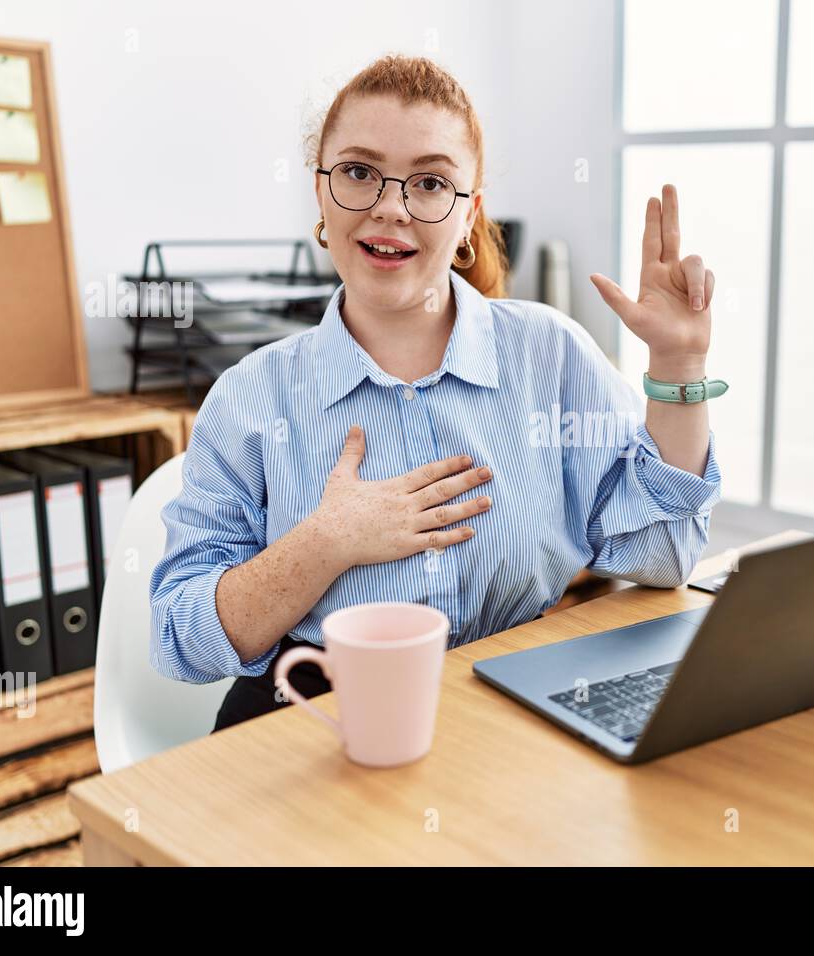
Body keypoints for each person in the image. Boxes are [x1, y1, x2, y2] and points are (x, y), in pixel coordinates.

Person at [148, 55, 728, 732]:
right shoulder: (250, 399)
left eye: (429, 183)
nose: (390, 208)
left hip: (501, 705)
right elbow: (179, 637)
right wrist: (327, 541)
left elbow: (664, 556)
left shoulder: (549, 355)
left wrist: (679, 363)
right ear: (321, 193)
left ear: (468, 215)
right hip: (308, 719)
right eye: (360, 172)